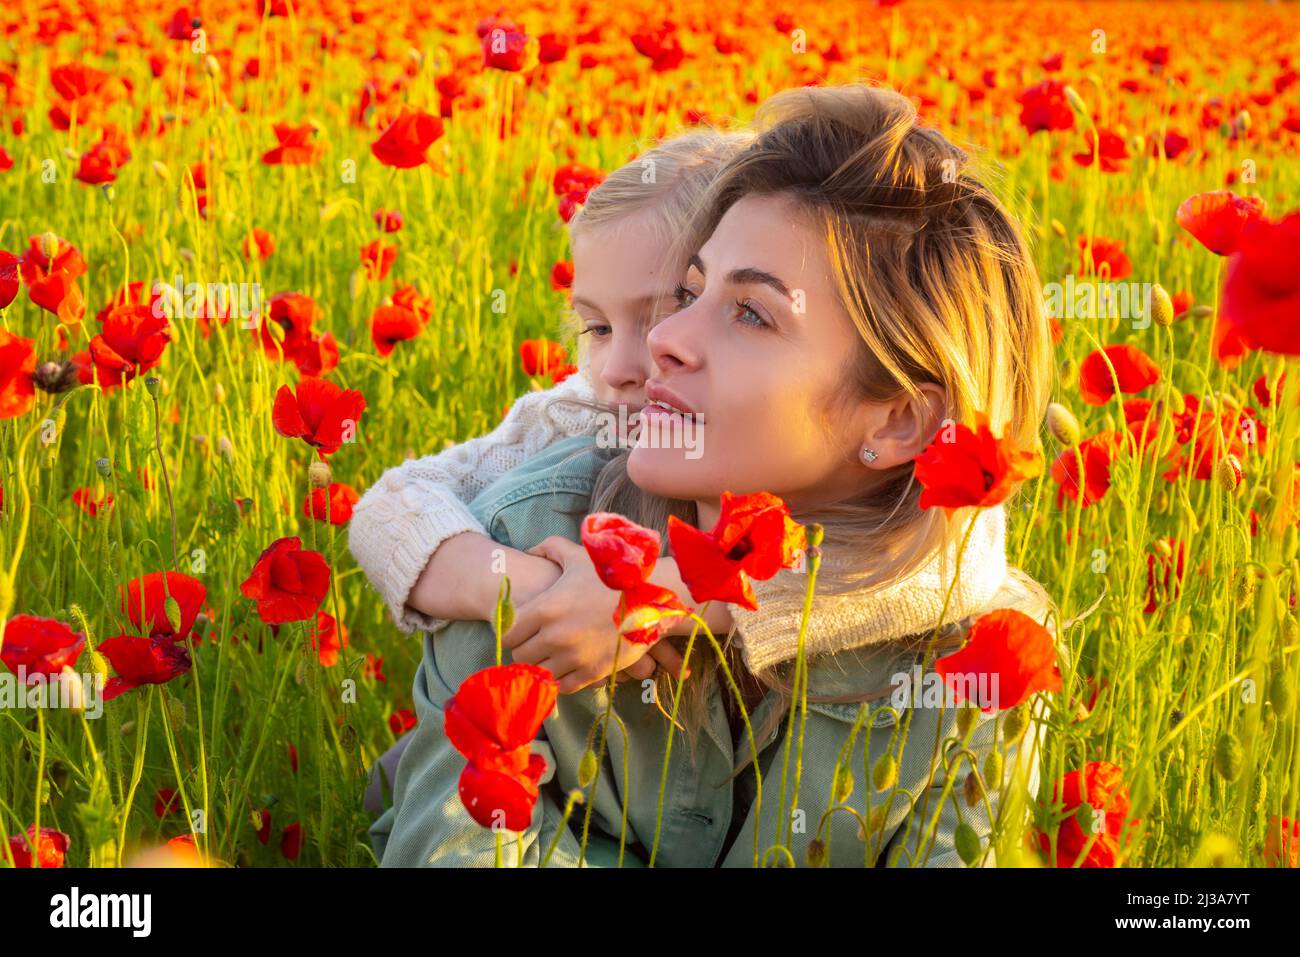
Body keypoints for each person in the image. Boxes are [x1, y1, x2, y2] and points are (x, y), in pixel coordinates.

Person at [371, 83, 1063, 867]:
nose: (664, 338)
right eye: (691, 291)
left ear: (898, 419)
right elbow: (452, 850)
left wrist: (686, 599)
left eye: (751, 314)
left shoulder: (978, 669)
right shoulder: (529, 548)